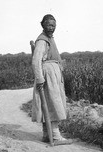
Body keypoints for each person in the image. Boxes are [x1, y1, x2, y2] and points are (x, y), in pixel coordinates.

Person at [31, 14, 72, 144]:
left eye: (53, 25)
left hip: (52, 74)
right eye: (48, 25)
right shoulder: (42, 40)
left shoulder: (49, 39)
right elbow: (36, 61)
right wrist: (40, 78)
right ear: (42, 25)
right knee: (52, 104)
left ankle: (47, 134)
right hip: (47, 75)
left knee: (50, 102)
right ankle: (55, 136)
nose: (51, 28)